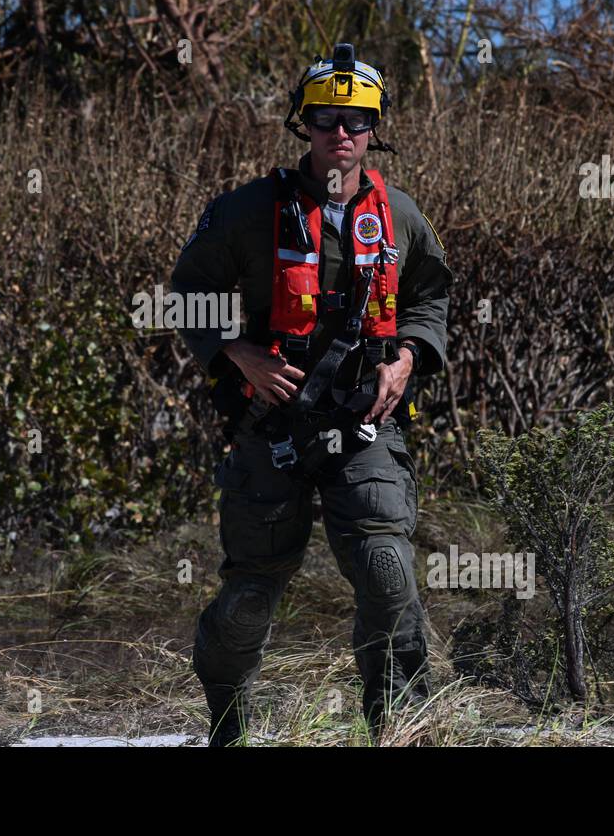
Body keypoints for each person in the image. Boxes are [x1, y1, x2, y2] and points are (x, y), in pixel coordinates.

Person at [170, 43, 452, 745]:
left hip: (367, 425)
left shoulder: (401, 216)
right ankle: (228, 724)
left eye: (356, 119)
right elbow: (185, 294)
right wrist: (234, 352)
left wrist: (408, 358)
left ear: (374, 128)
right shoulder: (247, 211)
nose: (341, 132)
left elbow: (429, 299)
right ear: (304, 124)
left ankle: (396, 728)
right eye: (326, 117)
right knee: (246, 600)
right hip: (271, 428)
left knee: (390, 576)